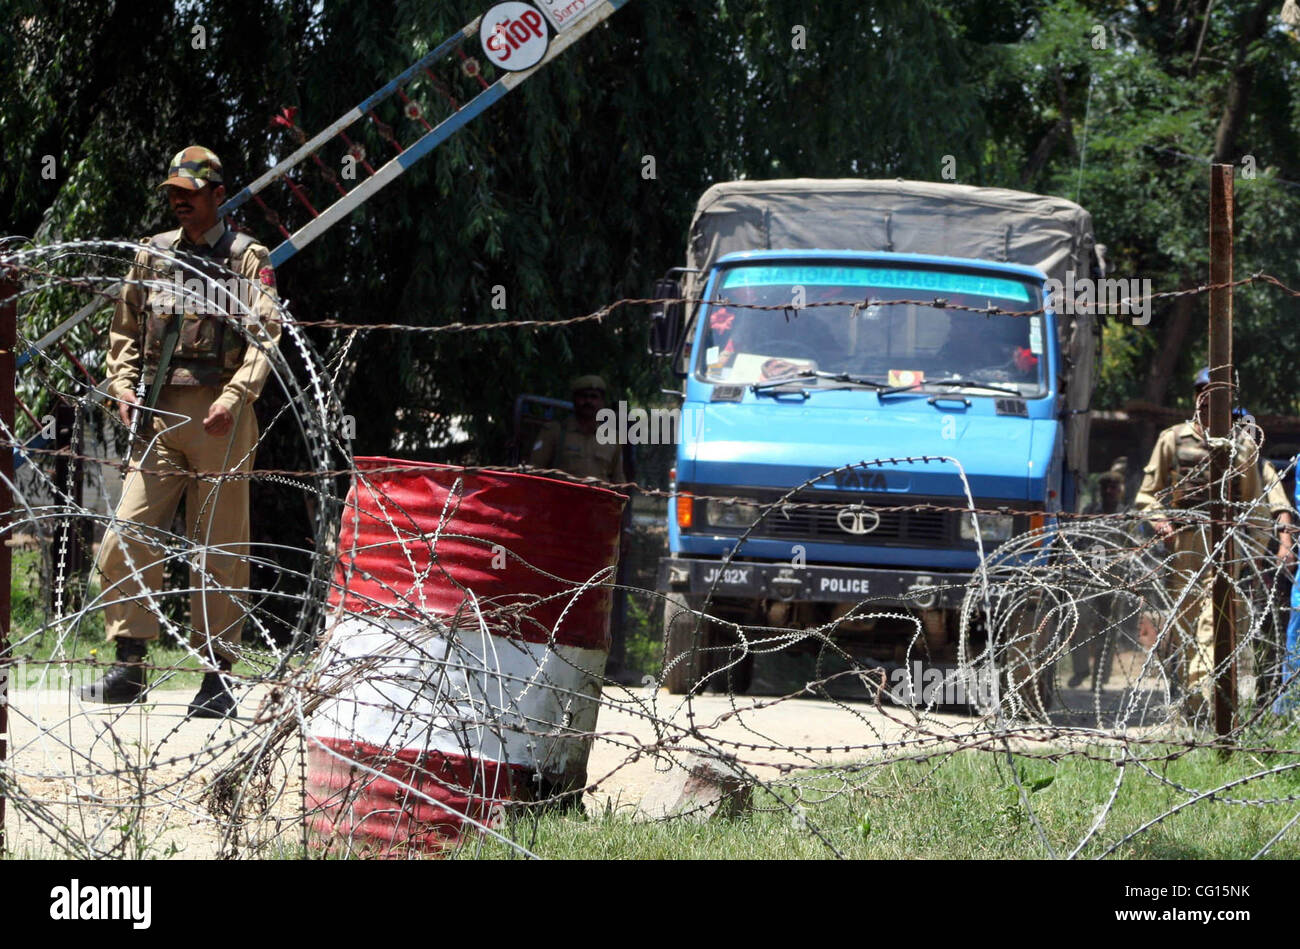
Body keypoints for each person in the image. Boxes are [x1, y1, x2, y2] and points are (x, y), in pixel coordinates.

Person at [85, 146, 281, 718]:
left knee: (217, 550)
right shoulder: (153, 256)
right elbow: (125, 329)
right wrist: (122, 387)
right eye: (174, 194)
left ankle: (216, 677)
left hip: (222, 419)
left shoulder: (247, 258)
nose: (179, 203)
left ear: (218, 196)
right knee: (127, 534)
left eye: (190, 195)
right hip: (159, 418)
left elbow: (265, 335)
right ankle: (130, 663)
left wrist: (234, 397)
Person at [1134, 368, 1288, 717]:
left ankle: (1201, 702)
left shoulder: (1244, 447)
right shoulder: (1173, 439)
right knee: (1186, 623)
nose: (1208, 399)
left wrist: (1252, 551)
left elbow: (1255, 507)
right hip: (1184, 544)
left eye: (1218, 393)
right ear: (1195, 397)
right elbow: (1147, 495)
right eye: (1202, 391)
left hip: (1226, 546)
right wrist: (1159, 519)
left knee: (1210, 621)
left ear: (1229, 400)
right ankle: (1192, 703)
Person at [1068, 458, 1130, 689]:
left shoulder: (1125, 516)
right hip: (1089, 575)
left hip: (1115, 578)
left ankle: (1100, 678)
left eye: (1113, 487)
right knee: (1080, 623)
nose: (1109, 491)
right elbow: (1078, 539)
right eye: (1105, 487)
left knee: (1109, 629)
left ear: (1120, 490)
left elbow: (1134, 545)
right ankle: (1081, 669)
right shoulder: (1090, 512)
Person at [529, 375, 625, 483]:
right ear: (574, 400)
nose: (588, 401)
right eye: (583, 396)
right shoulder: (555, 431)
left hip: (598, 499)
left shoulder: (612, 439)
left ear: (602, 402)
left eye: (594, 397)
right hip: (561, 497)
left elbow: (618, 480)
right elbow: (535, 471)